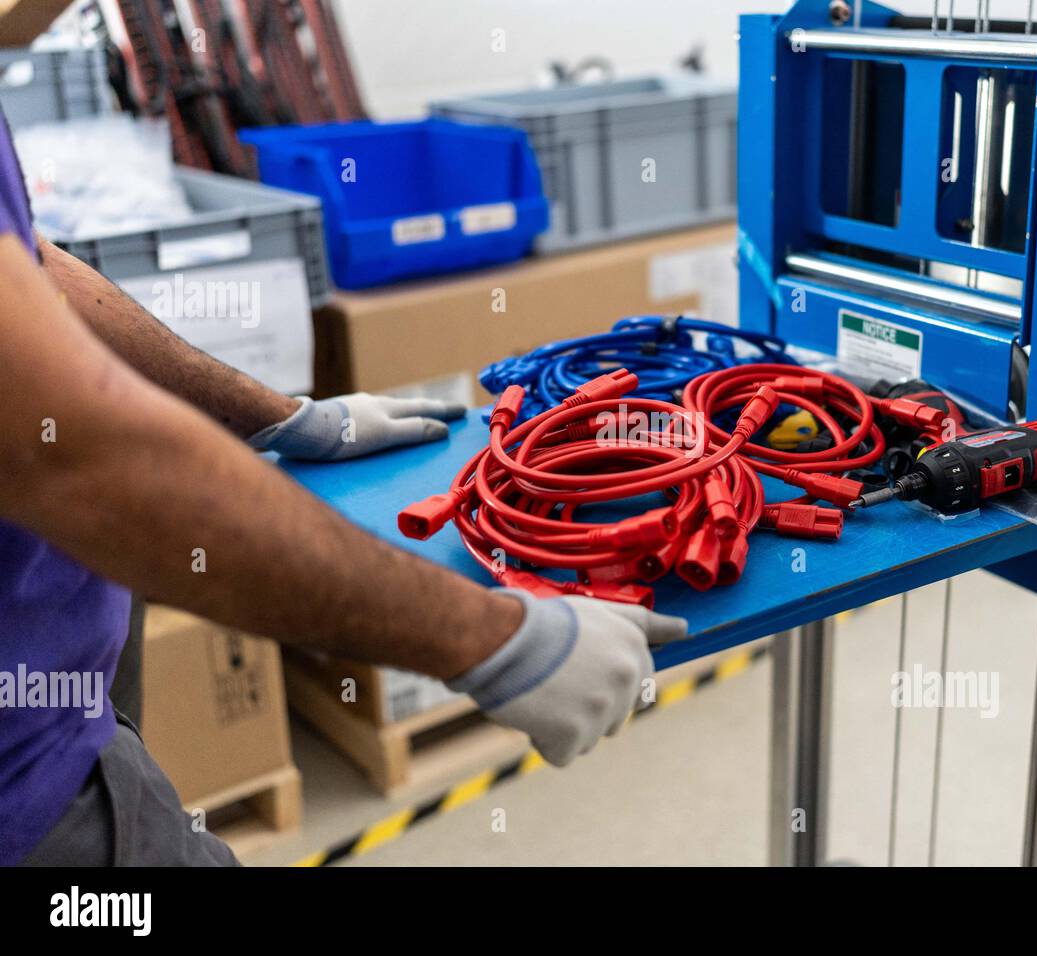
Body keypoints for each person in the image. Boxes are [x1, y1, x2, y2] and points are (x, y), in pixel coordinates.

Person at [0, 106, 685, 866]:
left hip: (64, 699)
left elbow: (33, 267)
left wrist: (283, 418)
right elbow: (71, 454)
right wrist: (493, 640)